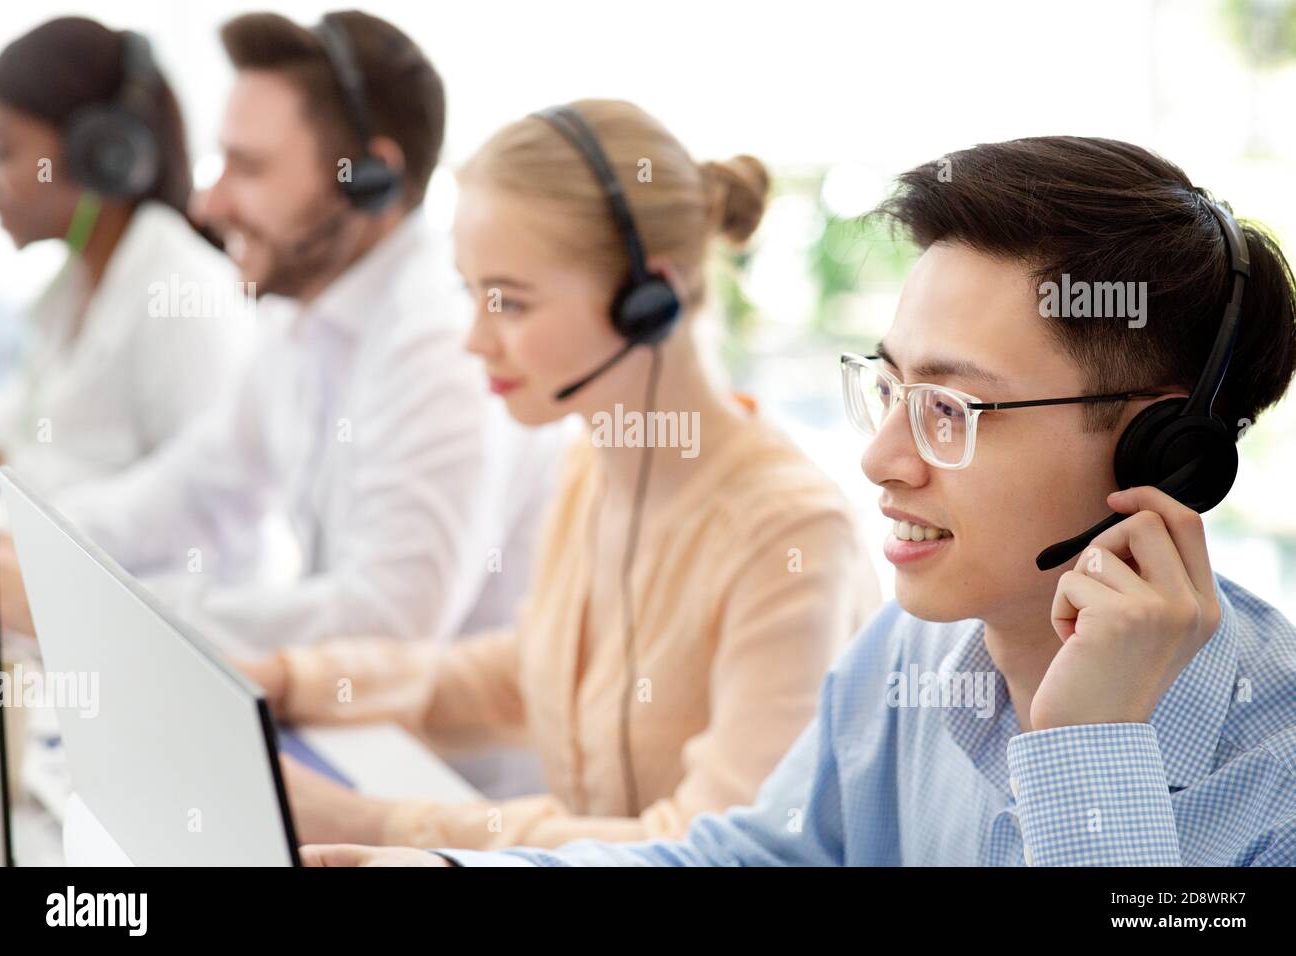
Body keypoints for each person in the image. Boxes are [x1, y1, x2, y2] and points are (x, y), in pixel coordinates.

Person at [304, 136, 1296, 867]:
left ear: (1160, 451)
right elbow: (752, 857)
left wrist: (1086, 750)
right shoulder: (917, 651)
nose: (879, 457)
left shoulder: (1275, 787)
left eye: (948, 407)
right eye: (889, 387)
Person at [242, 99, 878, 851]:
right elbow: (529, 671)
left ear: (648, 300)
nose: (474, 340)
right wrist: (289, 679)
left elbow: (706, 846)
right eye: (469, 293)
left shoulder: (788, 536)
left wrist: (377, 824)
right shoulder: (592, 464)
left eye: (508, 300)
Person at [0, 11, 559, 657]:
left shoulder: (439, 345)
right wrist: (31, 545)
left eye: (248, 168)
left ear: (368, 179)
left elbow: (384, 625)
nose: (210, 205)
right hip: (342, 730)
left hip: (430, 754)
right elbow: (197, 487)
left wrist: (84, 602)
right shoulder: (297, 315)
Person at [0, 18, 250, 495]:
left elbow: (213, 505)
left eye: (3, 150)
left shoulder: (179, 293)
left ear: (98, 154)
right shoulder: (73, 287)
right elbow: (18, 440)